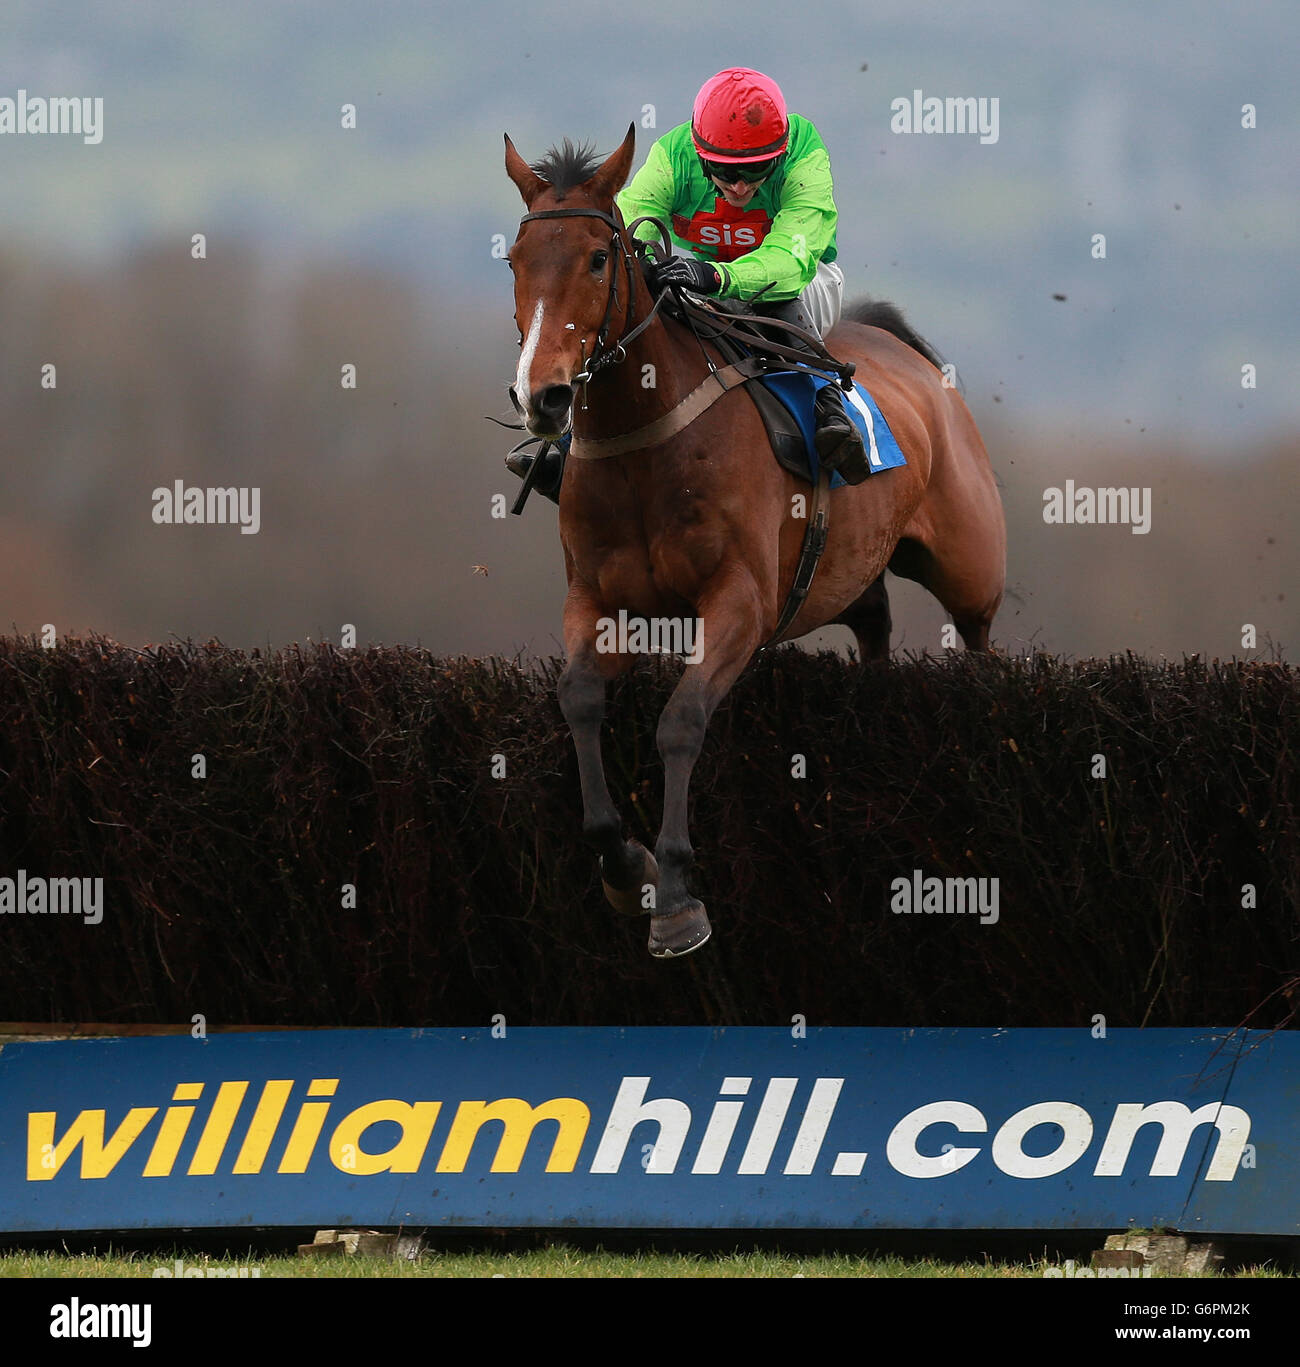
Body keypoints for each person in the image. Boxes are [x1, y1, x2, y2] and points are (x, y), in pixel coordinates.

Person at [508, 66, 869, 500]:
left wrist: (716, 276)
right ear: (700, 154)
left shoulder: (804, 152)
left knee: (770, 301)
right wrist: (643, 265)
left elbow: (791, 260)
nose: (738, 185)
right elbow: (631, 222)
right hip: (705, 273)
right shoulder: (674, 155)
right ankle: (566, 447)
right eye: (723, 169)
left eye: (756, 171)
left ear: (780, 153)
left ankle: (829, 405)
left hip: (804, 280)